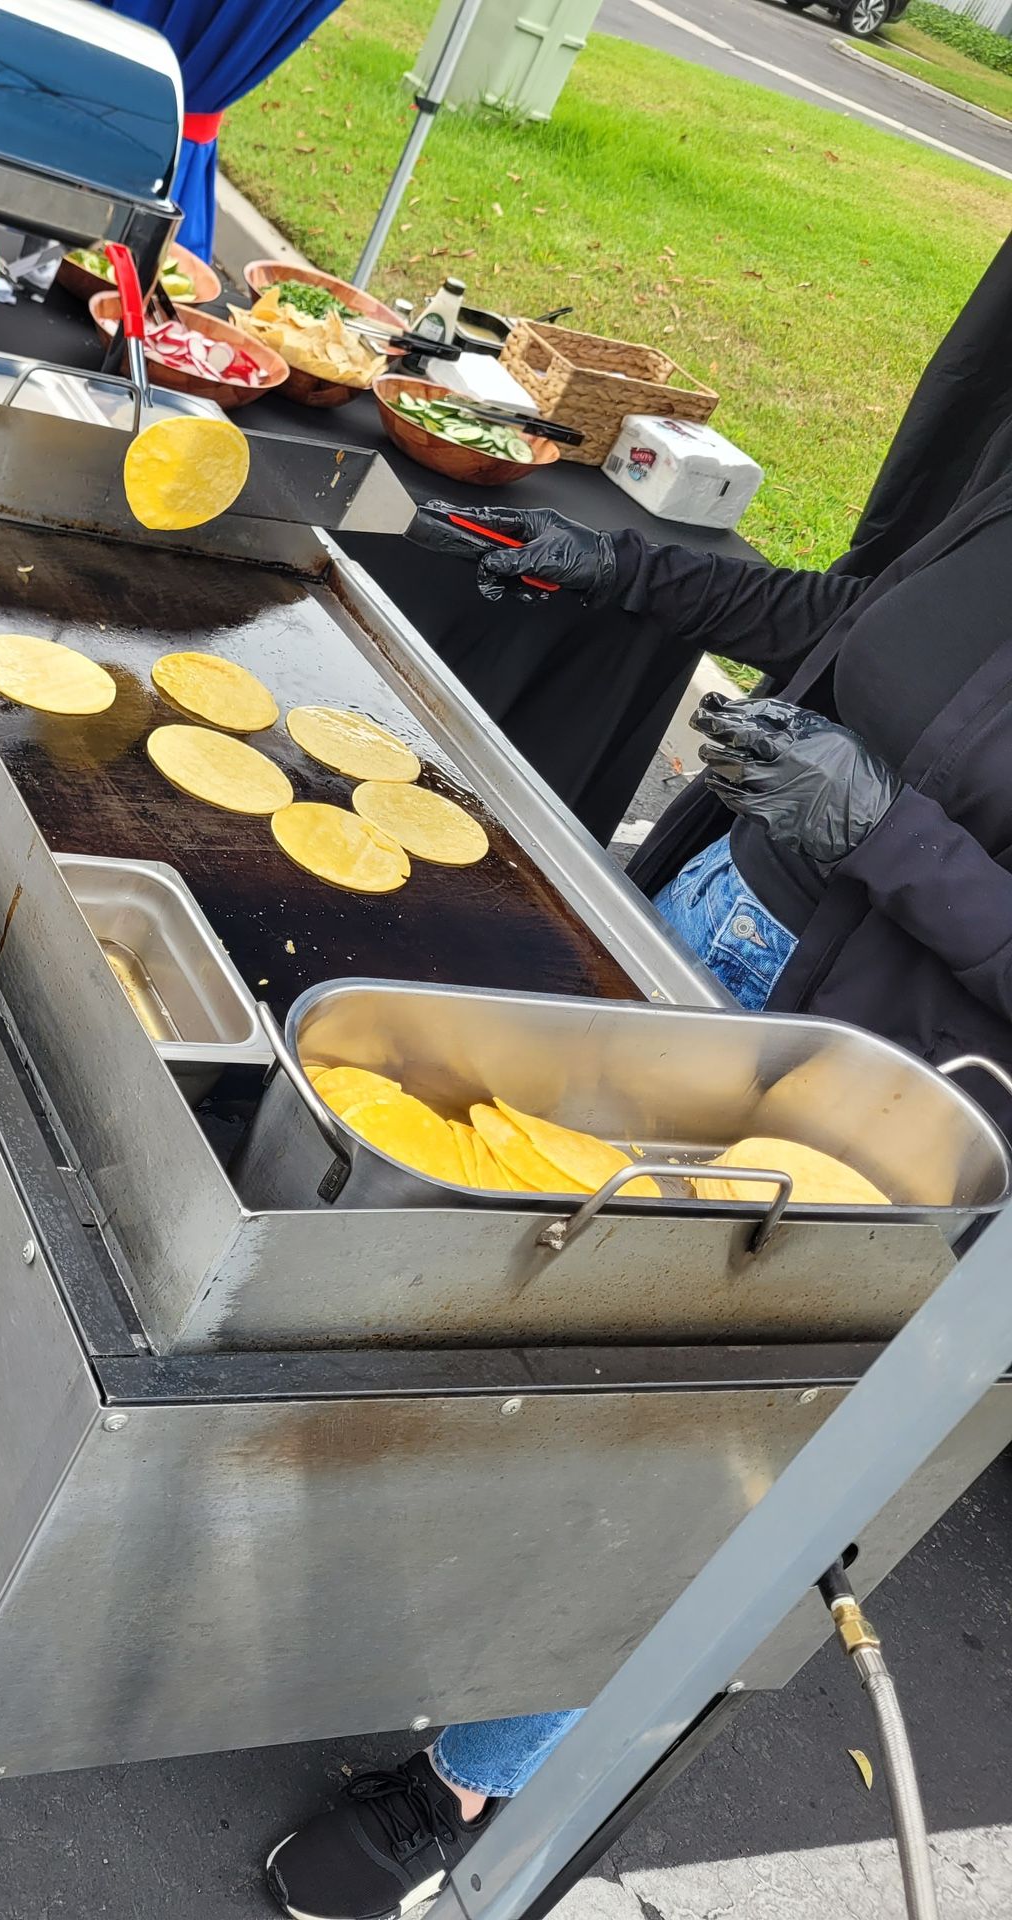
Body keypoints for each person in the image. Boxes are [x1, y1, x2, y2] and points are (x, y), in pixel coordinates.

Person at [266, 478, 1012, 1920]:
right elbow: (857, 623)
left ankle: (467, 1782)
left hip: (848, 1103)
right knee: (468, 1285)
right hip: (688, 941)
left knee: (656, 1459)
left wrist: (885, 836)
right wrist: (624, 570)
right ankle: (328, 1586)